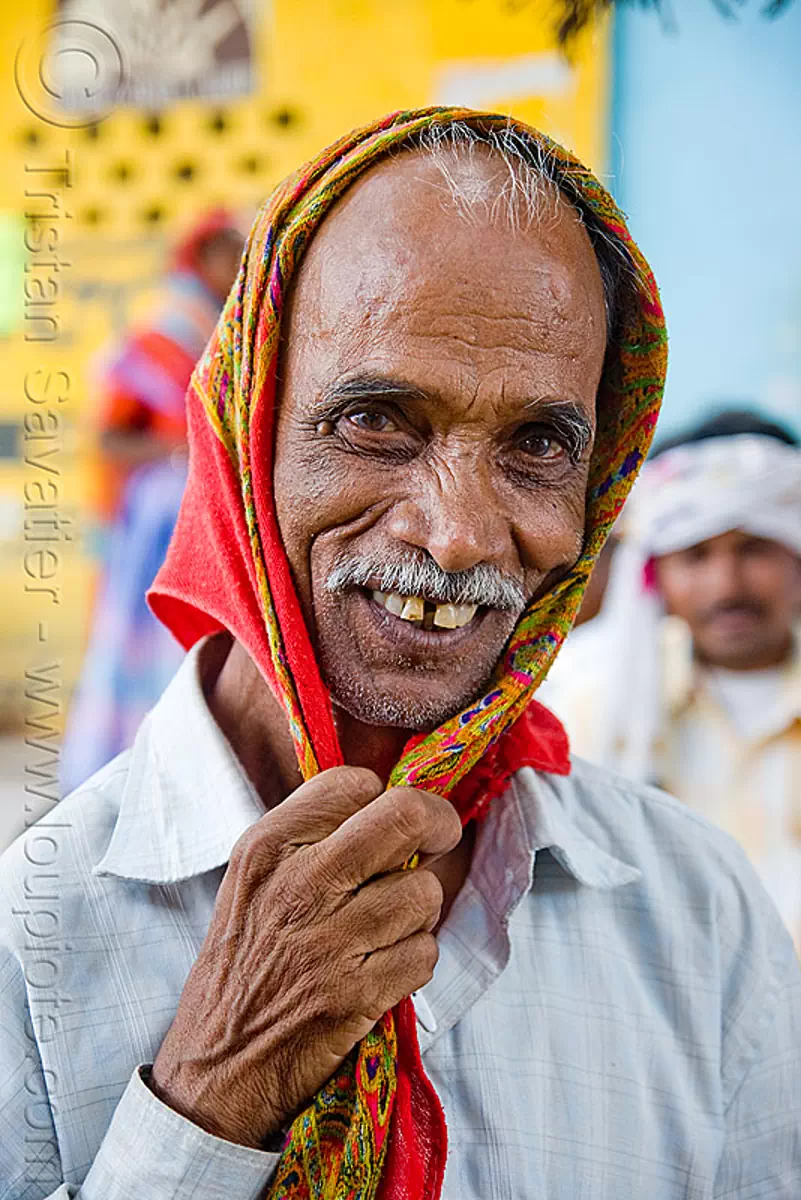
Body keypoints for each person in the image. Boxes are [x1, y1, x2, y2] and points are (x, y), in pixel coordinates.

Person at [0, 110, 799, 1200]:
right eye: (378, 420)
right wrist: (207, 1105)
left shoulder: (697, 915)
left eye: (537, 446)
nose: (460, 532)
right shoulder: (29, 946)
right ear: (245, 434)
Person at [545, 409, 801, 949]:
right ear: (655, 566)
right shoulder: (580, 704)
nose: (727, 585)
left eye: (754, 548)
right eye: (696, 553)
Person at [59, 212, 245, 795]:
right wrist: (181, 445)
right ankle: (121, 777)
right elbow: (106, 438)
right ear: (204, 257)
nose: (238, 267)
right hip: (151, 534)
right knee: (139, 655)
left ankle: (174, 778)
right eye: (231, 254)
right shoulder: (160, 334)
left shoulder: (222, 329)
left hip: (192, 524)